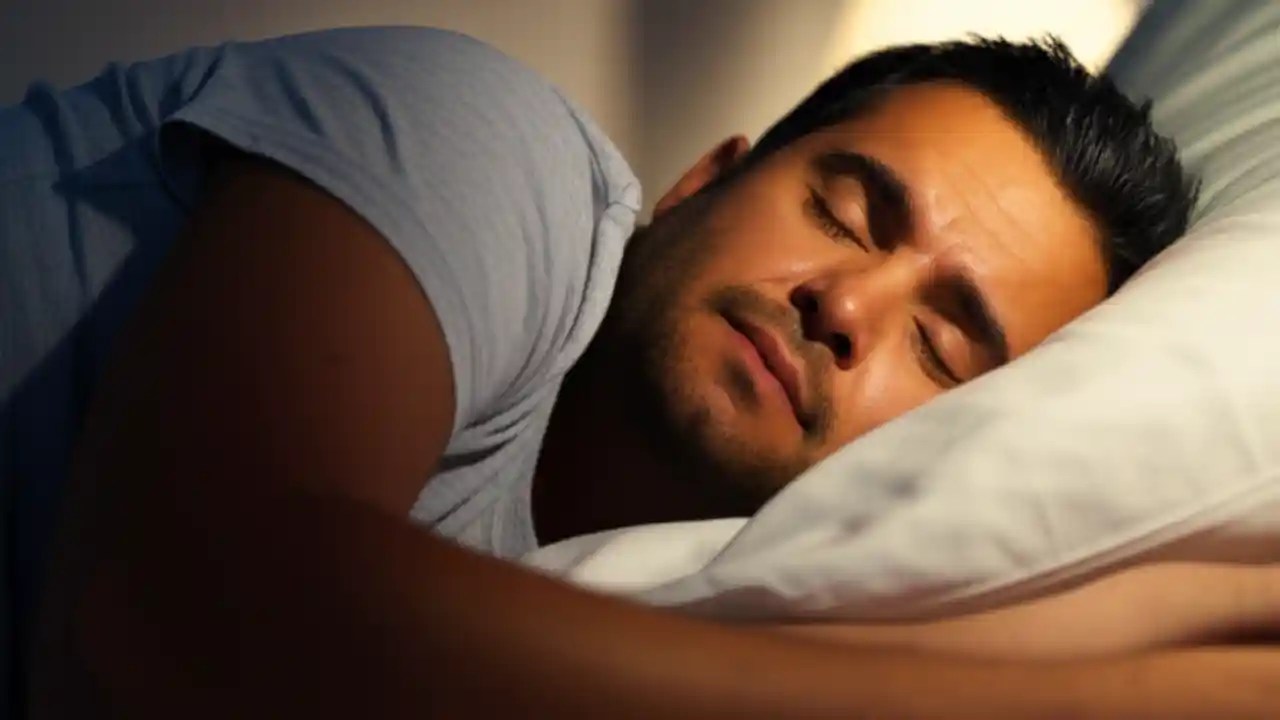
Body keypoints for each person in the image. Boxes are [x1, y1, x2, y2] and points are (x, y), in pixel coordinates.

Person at [6, 24, 1274, 719]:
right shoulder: (495, 147)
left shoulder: (667, 603)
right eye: (839, 211)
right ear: (700, 184)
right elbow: (171, 624)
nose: (841, 305)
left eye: (943, 346)